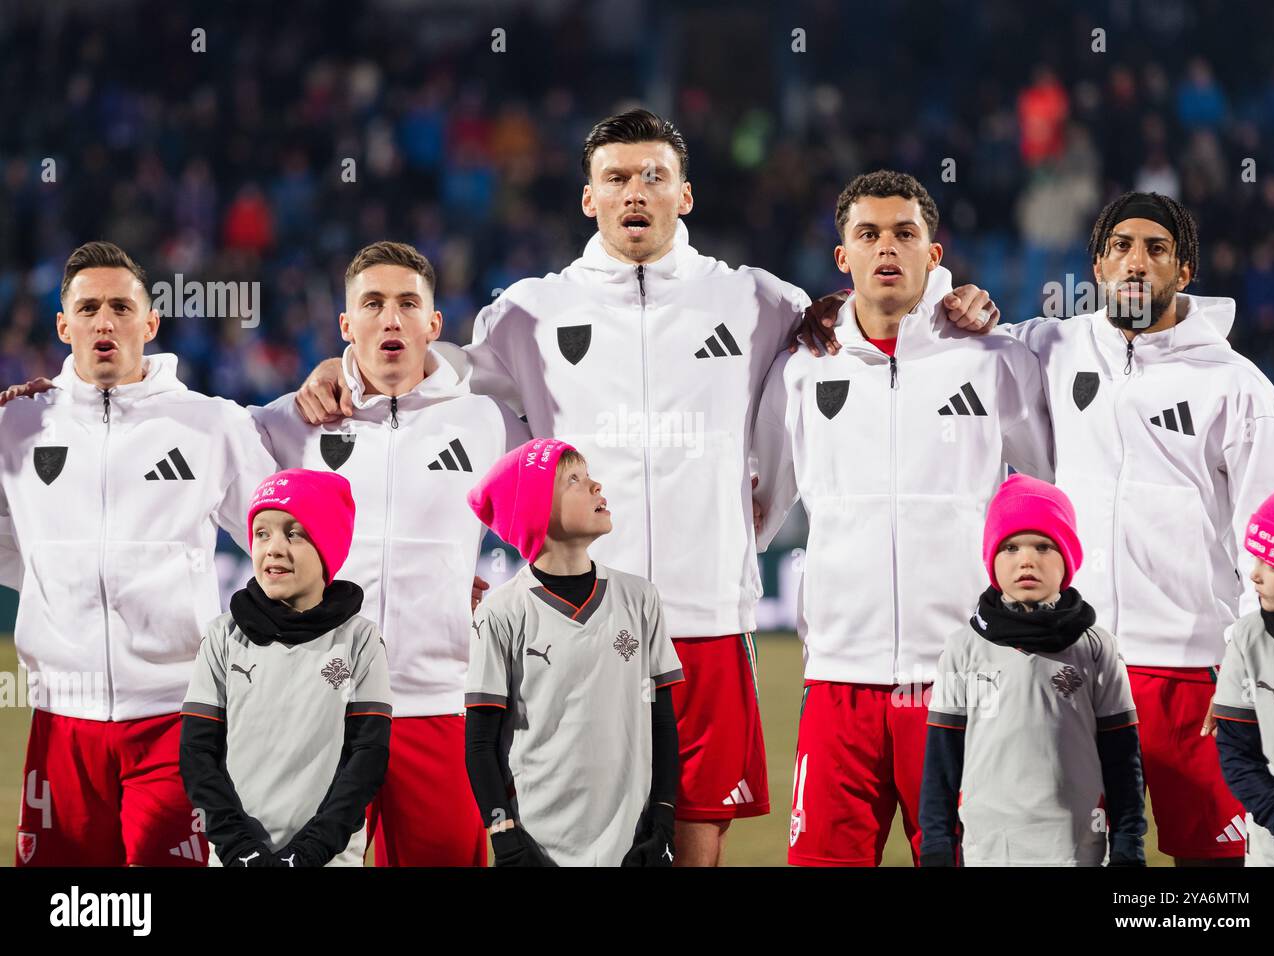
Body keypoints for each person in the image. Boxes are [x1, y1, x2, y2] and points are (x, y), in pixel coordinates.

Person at [291, 109, 998, 865]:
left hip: (707, 620)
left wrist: (952, 300)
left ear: (684, 195)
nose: (637, 192)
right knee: (570, 832)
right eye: (618, 178)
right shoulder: (529, 313)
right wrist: (347, 369)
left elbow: (870, 319)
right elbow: (431, 389)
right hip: (577, 623)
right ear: (588, 199)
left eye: (655, 177)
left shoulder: (759, 302)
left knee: (697, 840)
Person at [797, 191, 1274, 865]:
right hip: (1071, 664)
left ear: (1185, 271)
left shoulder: (1237, 386)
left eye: (1155, 249)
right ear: (1095, 265)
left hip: (1190, 670)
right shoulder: (1049, 345)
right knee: (1066, 851)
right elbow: (944, 330)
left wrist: (1250, 667)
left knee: (1216, 865)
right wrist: (939, 300)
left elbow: (1271, 542)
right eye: (1119, 247)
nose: (1135, 263)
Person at [751, 171, 1054, 866]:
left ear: (934, 254)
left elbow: (1050, 498)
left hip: (960, 676)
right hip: (836, 681)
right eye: (868, 234)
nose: (887, 248)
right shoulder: (801, 368)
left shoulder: (994, 361)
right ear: (843, 257)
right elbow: (757, 504)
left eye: (904, 234)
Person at [252, 241, 529, 866]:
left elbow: (557, 521)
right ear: (346, 325)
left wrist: (502, 600)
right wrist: (59, 401)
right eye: (372, 304)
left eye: (408, 304)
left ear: (434, 324)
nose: (391, 319)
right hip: (315, 710)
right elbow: (179, 446)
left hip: (439, 707)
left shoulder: (486, 423)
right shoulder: (290, 424)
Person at [0, 241, 277, 866]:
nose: (105, 321)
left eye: (122, 307)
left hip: (175, 719)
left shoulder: (211, 426)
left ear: (149, 323)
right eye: (89, 307)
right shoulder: (17, 428)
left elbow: (283, 535)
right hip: (59, 719)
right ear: (62, 325)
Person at [464, 439, 682, 866]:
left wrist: (663, 822)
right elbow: (480, 743)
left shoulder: (640, 598)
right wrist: (506, 839)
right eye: (575, 480)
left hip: (632, 847)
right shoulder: (501, 612)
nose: (596, 485)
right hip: (537, 849)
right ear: (536, 511)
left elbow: (664, 725)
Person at [919, 475, 1146, 866]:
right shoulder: (963, 649)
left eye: (1043, 546)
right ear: (991, 560)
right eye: (1010, 547)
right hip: (990, 849)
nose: (1026, 560)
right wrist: (937, 845)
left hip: (1077, 849)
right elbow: (942, 761)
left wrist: (1128, 842)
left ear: (1068, 560)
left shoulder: (1096, 649)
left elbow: (1123, 759)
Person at [180, 468, 391, 867]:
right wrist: (241, 851)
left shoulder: (361, 641)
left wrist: (307, 854)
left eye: (293, 532)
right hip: (235, 859)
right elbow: (197, 757)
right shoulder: (222, 637)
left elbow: (365, 761)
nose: (273, 548)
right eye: (262, 533)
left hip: (327, 859)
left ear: (327, 546)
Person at [1212, 474, 1274, 866]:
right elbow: (1237, 754)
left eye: (1273, 562)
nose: (1254, 574)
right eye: (1255, 557)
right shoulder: (1248, 637)